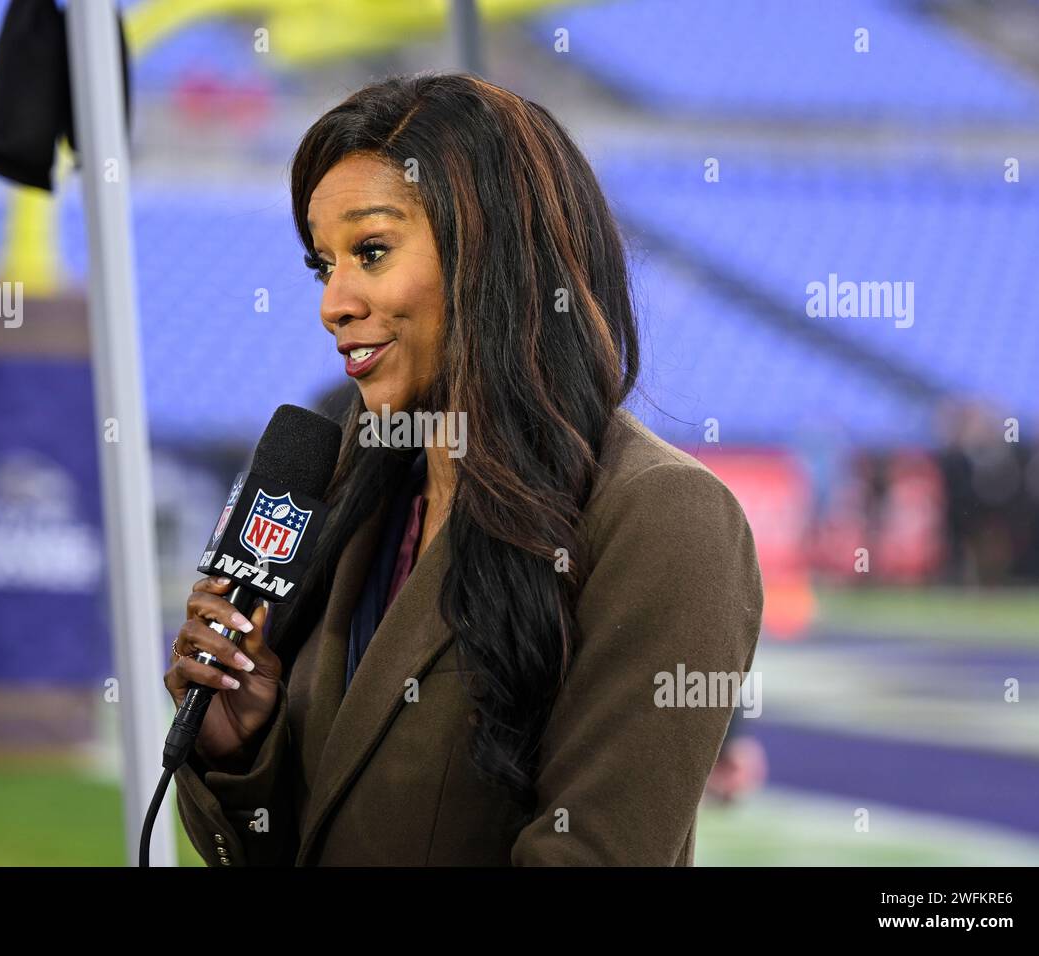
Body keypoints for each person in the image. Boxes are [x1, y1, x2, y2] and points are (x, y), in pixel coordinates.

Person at [165, 73, 763, 866]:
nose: (332, 302)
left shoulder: (664, 517)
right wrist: (242, 751)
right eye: (324, 265)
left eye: (371, 251)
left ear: (492, 256)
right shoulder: (351, 483)